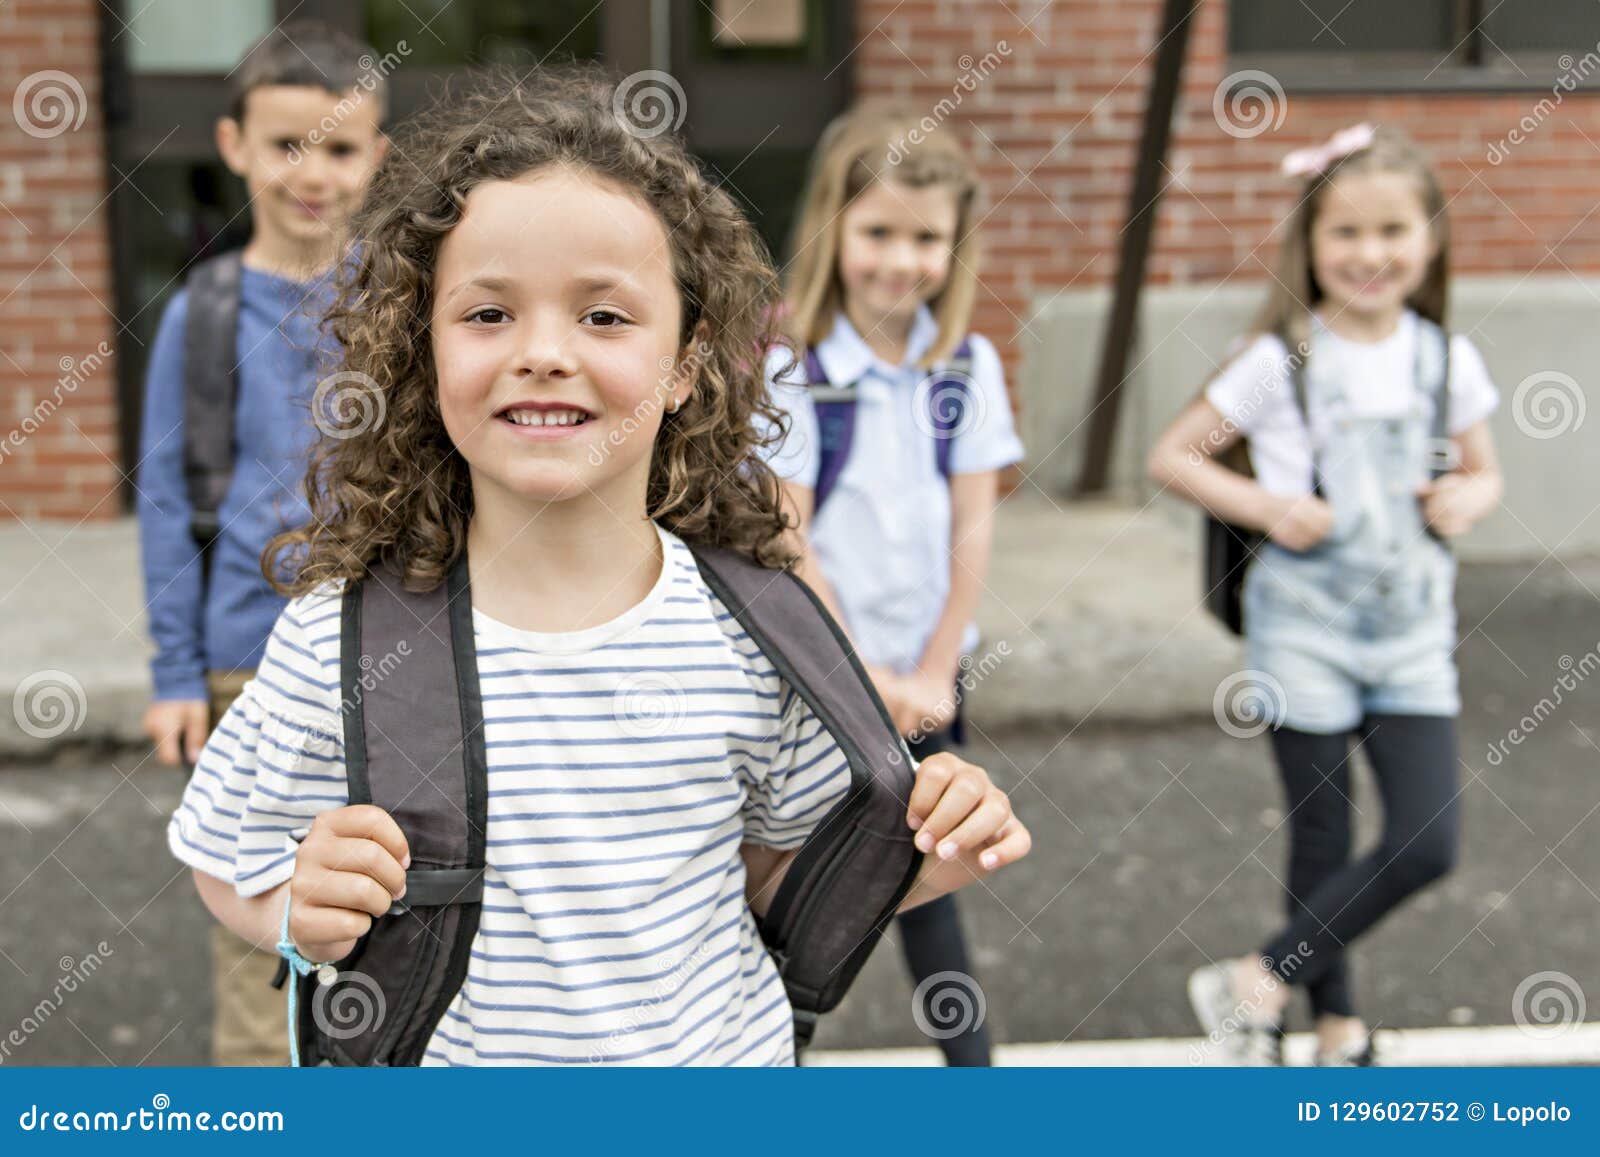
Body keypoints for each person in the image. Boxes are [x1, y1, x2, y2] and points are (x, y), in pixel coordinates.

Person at [165, 66, 1031, 1066]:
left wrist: (924, 851)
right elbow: (226, 854)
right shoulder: (340, 637)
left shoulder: (760, 629)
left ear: (687, 365)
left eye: (604, 317)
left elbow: (774, 878)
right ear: (422, 347)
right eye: (487, 314)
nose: (542, 351)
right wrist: (292, 908)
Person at [1147, 124, 1504, 1066]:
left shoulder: (1442, 358)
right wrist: (1267, 503)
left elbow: (1484, 474)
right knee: (1325, 832)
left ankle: (1254, 980)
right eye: (1345, 233)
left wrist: (1471, 494)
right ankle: (1337, 1024)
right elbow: (1174, 456)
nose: (1370, 254)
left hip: (1410, 630)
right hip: (1304, 623)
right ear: (1309, 244)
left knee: (1428, 837)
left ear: (1429, 241)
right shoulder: (1283, 356)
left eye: (1393, 230)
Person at [136, 21, 388, 1066]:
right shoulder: (204, 313)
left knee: (390, 912)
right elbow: (163, 493)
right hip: (246, 663)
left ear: (375, 155)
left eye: (337, 148)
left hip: (388, 656)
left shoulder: (404, 301)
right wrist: (173, 669)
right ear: (235, 144)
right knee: (265, 929)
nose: (312, 173)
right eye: (287, 145)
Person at [763, 105, 1025, 1065]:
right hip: (820, 684)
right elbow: (791, 538)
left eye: (926, 238)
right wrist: (862, 671)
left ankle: (974, 1074)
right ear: (836, 229)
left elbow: (975, 521)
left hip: (926, 679)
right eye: (878, 232)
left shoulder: (967, 365)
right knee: (798, 888)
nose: (900, 259)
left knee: (928, 876)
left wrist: (938, 662)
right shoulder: (793, 371)